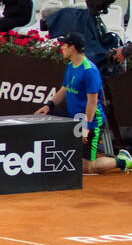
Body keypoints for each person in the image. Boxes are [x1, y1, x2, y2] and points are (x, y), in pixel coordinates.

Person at [36, 34, 132, 174]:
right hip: (75, 120)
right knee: (50, 117)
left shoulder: (89, 71)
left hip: (91, 122)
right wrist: (48, 105)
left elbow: (92, 103)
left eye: (64, 45)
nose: (61, 47)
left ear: (72, 48)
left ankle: (123, 160)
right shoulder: (70, 66)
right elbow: (64, 89)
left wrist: (85, 128)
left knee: (89, 168)